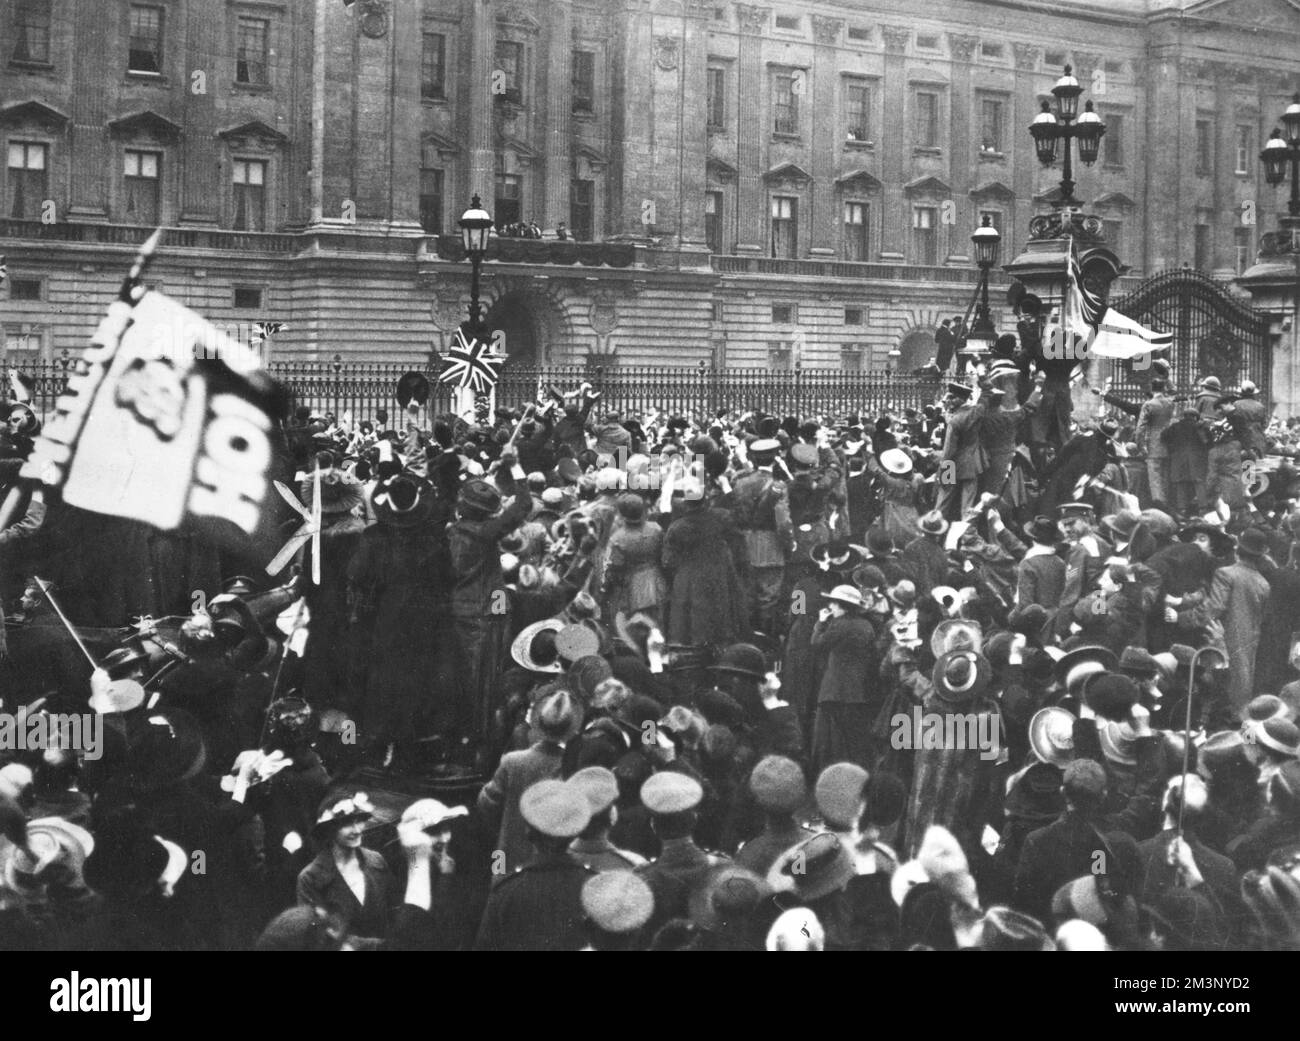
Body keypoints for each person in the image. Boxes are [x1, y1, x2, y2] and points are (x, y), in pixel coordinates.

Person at [296, 793, 394, 946]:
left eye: (359, 821)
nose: (356, 830)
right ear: (329, 830)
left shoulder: (376, 861)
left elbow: (393, 910)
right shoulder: (310, 878)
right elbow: (318, 936)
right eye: (347, 824)